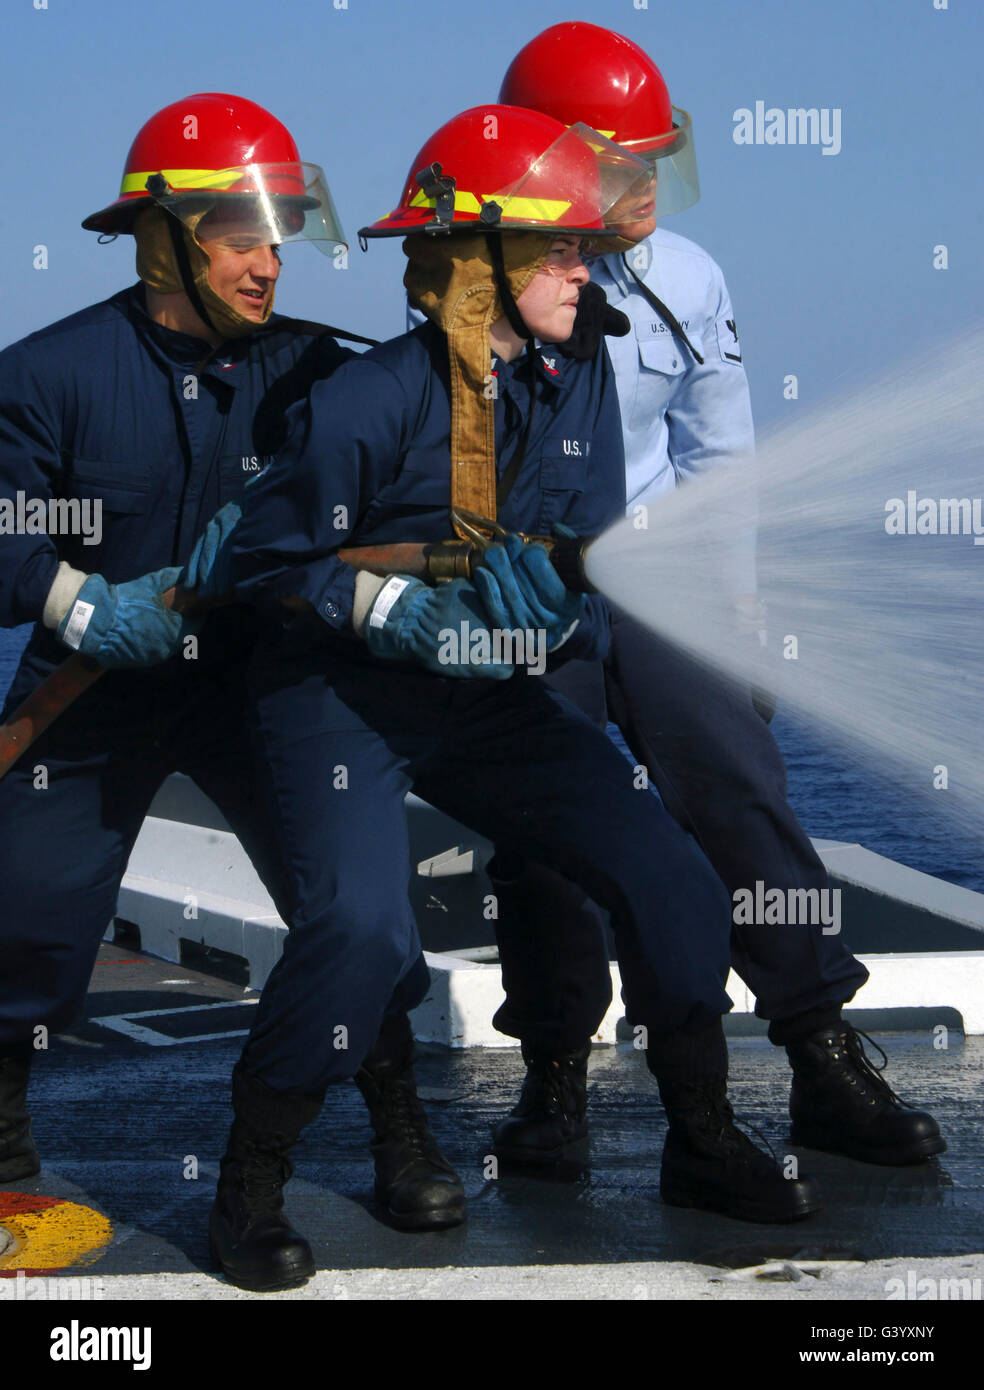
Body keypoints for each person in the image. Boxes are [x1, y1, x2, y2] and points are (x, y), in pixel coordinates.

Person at [174, 103, 828, 1288]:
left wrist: (553, 609)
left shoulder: (571, 378)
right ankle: (247, 1191)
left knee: (674, 881)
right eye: (565, 250)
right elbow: (263, 565)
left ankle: (701, 1138)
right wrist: (387, 607)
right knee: (362, 935)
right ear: (483, 259)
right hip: (339, 696)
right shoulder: (368, 401)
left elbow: (582, 545)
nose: (590, 269)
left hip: (483, 695)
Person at [0, 93, 465, 1291]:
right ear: (165, 242)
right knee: (28, 910)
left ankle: (398, 1123)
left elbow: (401, 481)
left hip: (272, 683)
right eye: (242, 232)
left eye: (280, 231)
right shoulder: (45, 377)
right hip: (96, 688)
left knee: (358, 912)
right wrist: (75, 600)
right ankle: (5, 1155)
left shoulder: (319, 370)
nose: (270, 260)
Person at [478, 22, 944, 1173]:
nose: (642, 192)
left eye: (653, 164)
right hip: (531, 589)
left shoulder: (689, 278)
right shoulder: (479, 285)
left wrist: (734, 613)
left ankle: (822, 1054)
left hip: (663, 578)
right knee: (545, 839)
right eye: (618, 167)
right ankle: (554, 1083)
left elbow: (720, 454)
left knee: (743, 794)